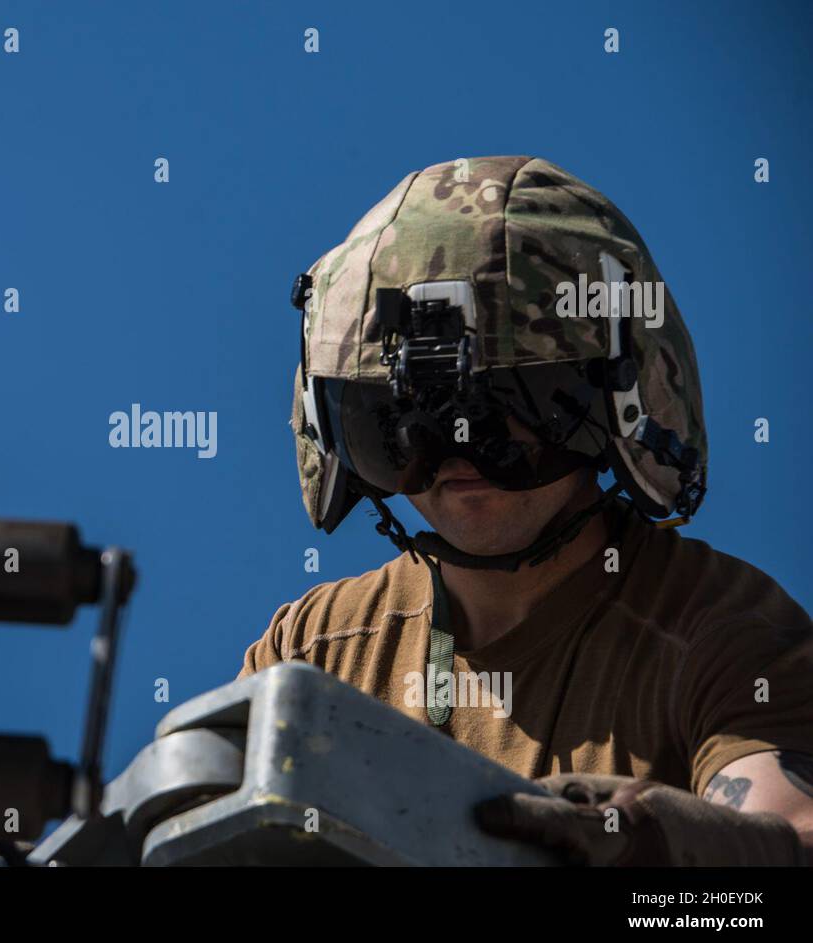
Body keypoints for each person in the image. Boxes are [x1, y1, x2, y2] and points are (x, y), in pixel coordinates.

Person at [239, 156, 813, 865]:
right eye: (402, 420)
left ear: (616, 398)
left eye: (508, 404)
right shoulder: (314, 654)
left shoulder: (716, 628)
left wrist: (648, 850)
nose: (455, 452)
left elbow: (786, 843)